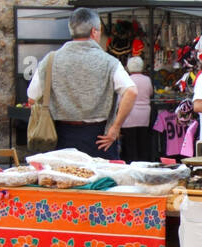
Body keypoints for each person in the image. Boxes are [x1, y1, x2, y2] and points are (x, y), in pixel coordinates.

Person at [26, 8, 135, 160]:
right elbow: (131, 92)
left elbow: (32, 97)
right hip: (99, 139)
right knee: (101, 182)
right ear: (94, 32)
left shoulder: (49, 60)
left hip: (60, 136)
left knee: (63, 181)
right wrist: (115, 127)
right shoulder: (109, 62)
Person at [121, 56, 155, 162]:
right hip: (144, 115)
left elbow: (120, 99)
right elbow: (150, 93)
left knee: (130, 144)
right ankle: (143, 164)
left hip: (129, 114)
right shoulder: (147, 79)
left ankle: (132, 165)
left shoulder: (126, 79)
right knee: (143, 143)